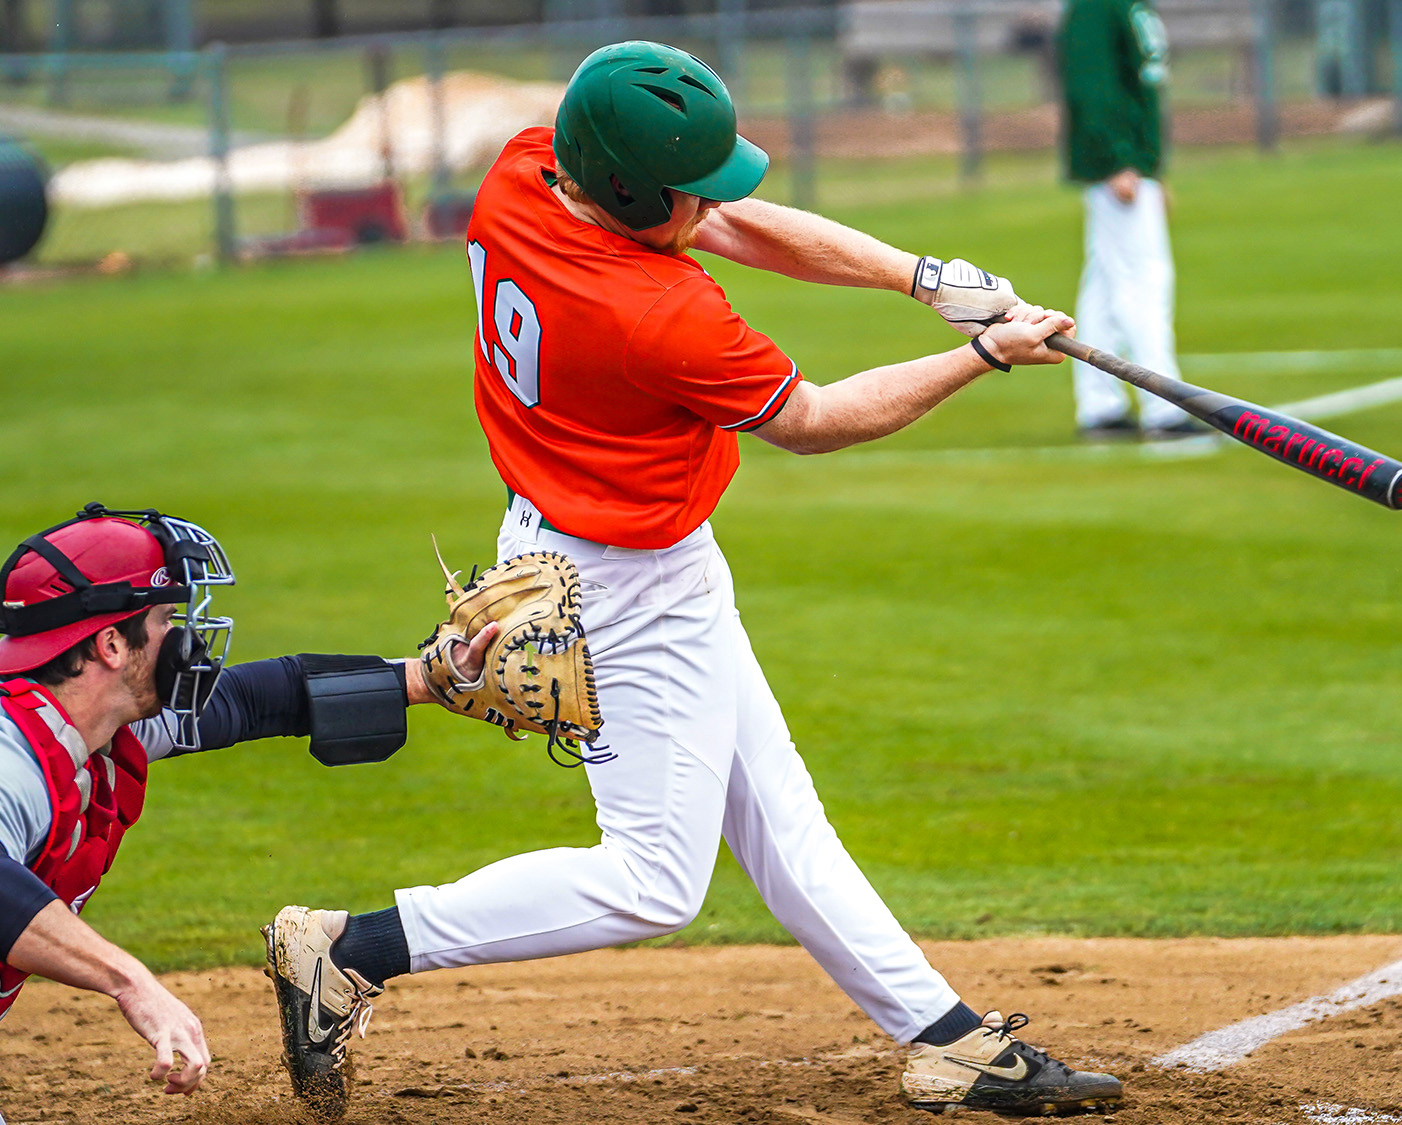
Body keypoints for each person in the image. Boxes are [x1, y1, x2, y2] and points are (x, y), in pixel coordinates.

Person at [261, 40, 1124, 1120]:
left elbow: (721, 218)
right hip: (620, 584)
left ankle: (947, 1041)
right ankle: (353, 948)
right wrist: (981, 357)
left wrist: (921, 277)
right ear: (629, 190)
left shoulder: (528, 172)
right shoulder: (654, 314)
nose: (706, 205)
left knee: (779, 816)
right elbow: (811, 422)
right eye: (686, 187)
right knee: (653, 880)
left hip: (587, 539)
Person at [0, 504, 493, 1108]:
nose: (186, 638)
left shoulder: (95, 726)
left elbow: (261, 699)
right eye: (166, 620)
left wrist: (436, 679)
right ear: (110, 644)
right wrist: (133, 983)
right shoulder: (14, 755)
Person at [1058, 0, 1199, 440]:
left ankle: (1099, 405)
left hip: (1134, 164)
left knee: (1105, 283)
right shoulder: (1097, 7)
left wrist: (1150, 166)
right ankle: (1165, 407)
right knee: (1143, 279)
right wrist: (1119, 159)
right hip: (1117, 164)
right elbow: (1092, 84)